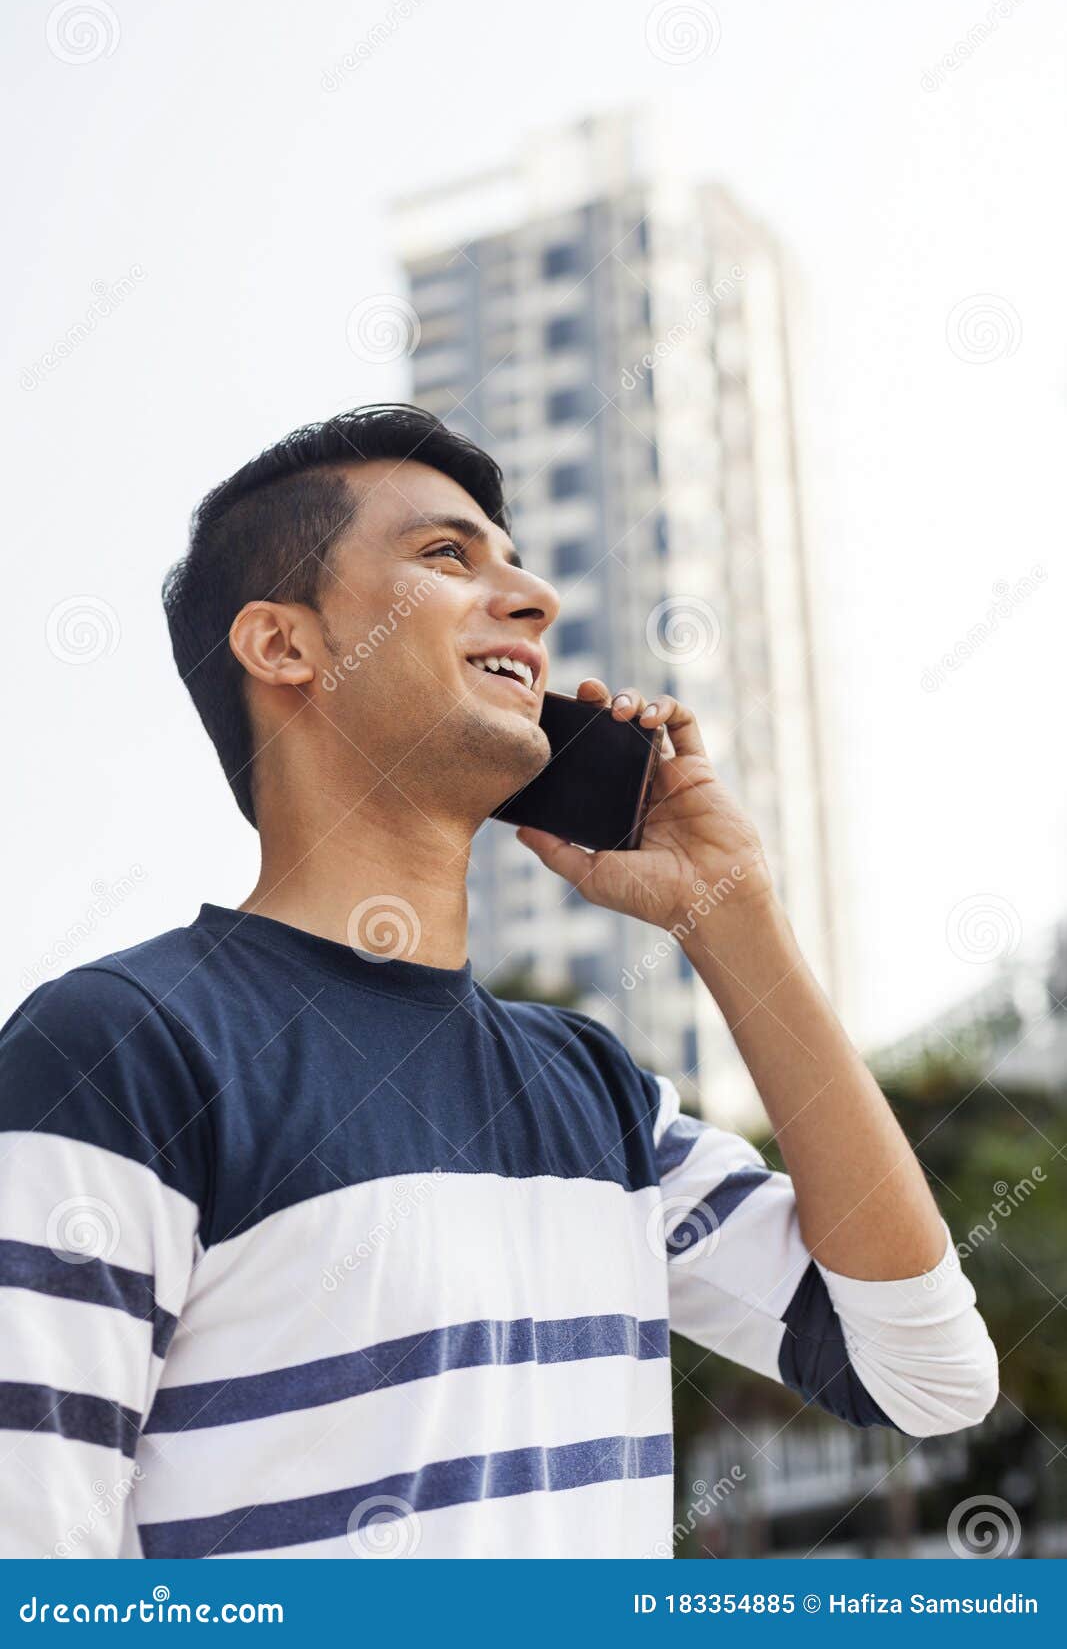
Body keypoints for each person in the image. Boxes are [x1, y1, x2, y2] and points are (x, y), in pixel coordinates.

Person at [0, 405, 997, 1558]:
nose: (534, 599)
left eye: (514, 563)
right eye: (446, 555)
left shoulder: (596, 1096)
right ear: (282, 644)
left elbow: (927, 1372)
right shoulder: (115, 1053)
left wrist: (731, 916)